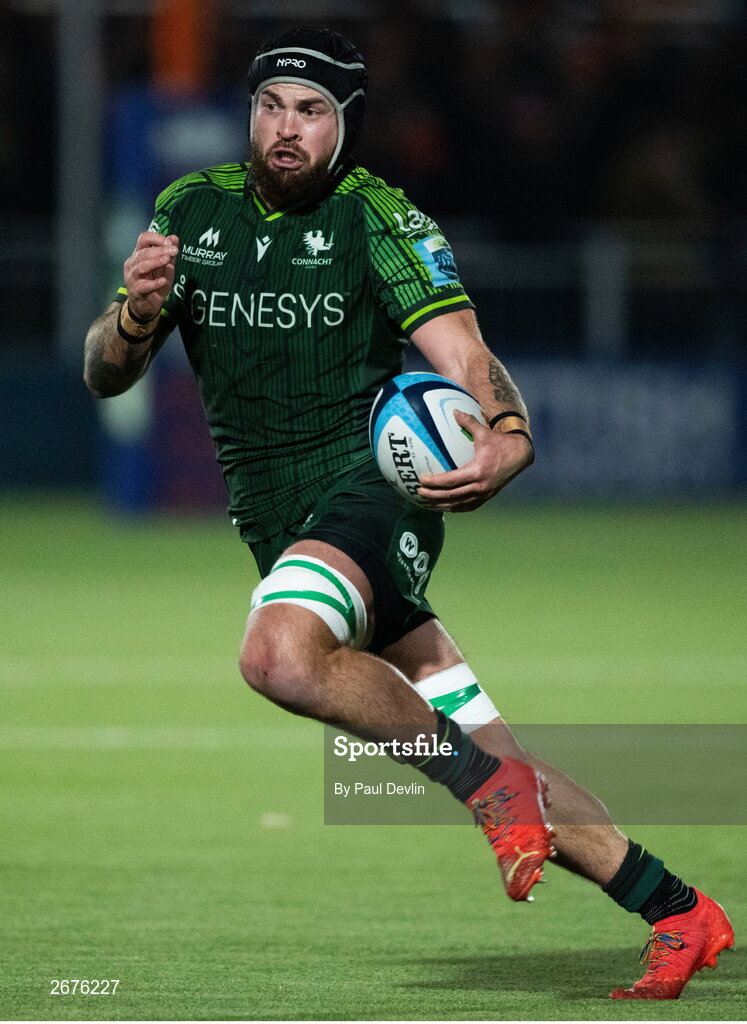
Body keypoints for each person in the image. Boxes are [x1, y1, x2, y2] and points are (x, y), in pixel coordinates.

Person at [83, 27, 733, 1000]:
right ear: (249, 113)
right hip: (282, 528)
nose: (287, 128)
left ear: (345, 125)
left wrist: (506, 426)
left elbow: (465, 355)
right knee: (493, 745)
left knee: (278, 655)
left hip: (376, 495)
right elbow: (105, 370)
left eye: (312, 111)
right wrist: (134, 315)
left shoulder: (379, 216)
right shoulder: (191, 208)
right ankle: (680, 911)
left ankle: (483, 789)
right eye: (272, 106)